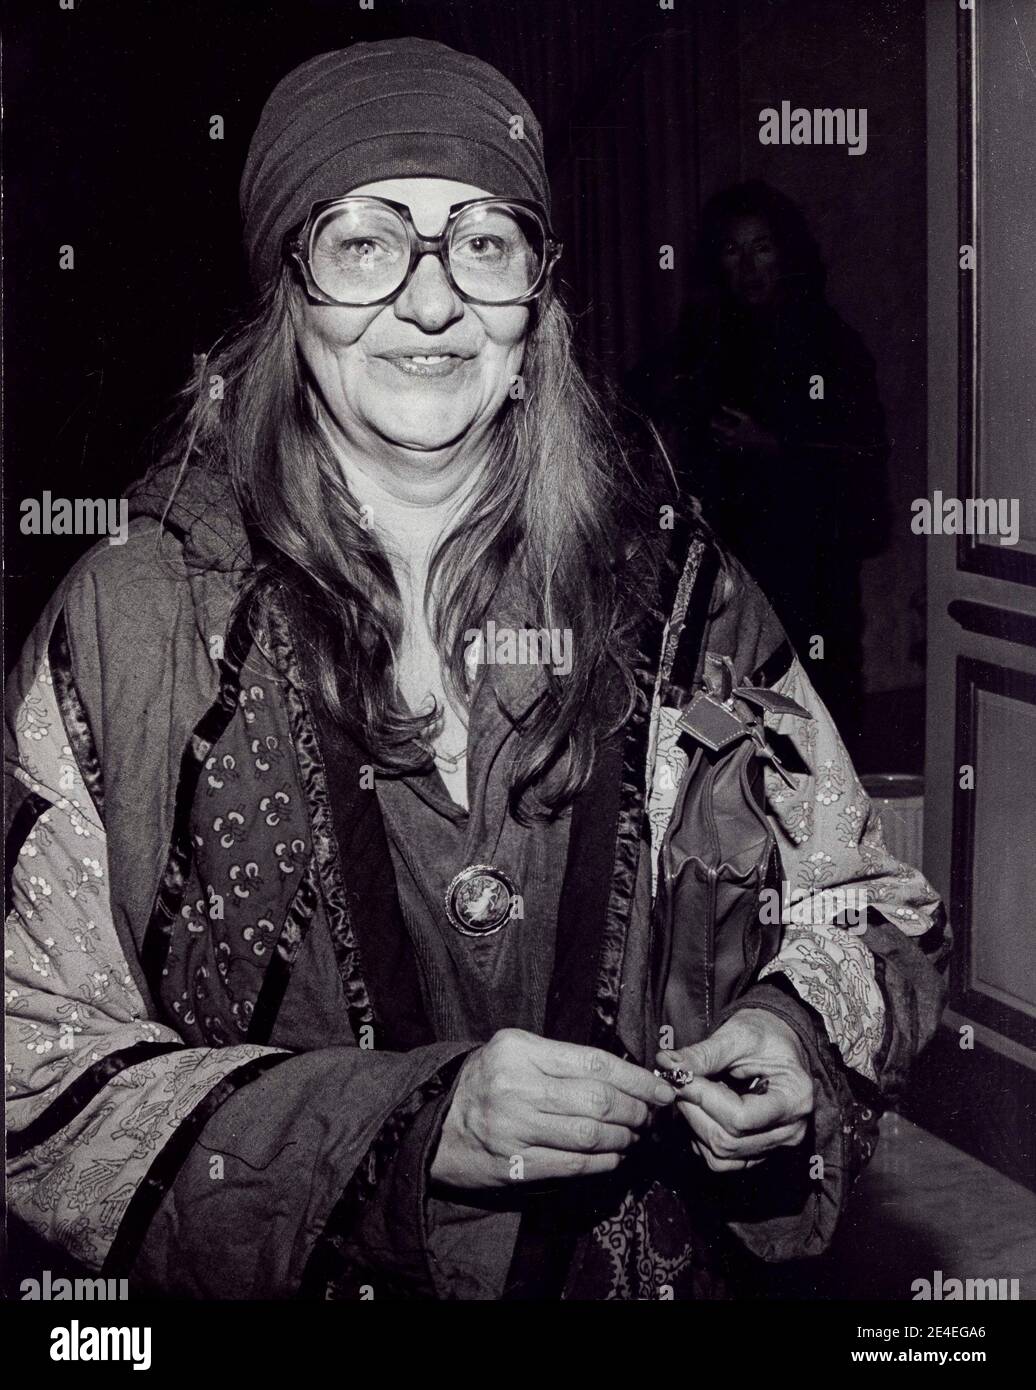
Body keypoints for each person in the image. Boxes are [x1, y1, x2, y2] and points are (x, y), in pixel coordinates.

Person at [5, 39, 947, 1301]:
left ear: (536, 297)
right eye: (365, 241)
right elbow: (37, 1072)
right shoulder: (129, 624)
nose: (433, 301)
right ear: (290, 285)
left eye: (484, 241)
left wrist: (794, 1025)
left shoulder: (669, 586)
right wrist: (404, 1127)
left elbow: (866, 896)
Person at [632, 181, 891, 745]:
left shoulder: (832, 345)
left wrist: (775, 447)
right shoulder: (705, 338)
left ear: (788, 253)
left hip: (809, 569)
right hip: (727, 567)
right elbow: (648, 410)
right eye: (732, 250)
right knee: (715, 725)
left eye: (762, 248)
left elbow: (863, 468)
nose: (748, 266)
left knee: (810, 720)